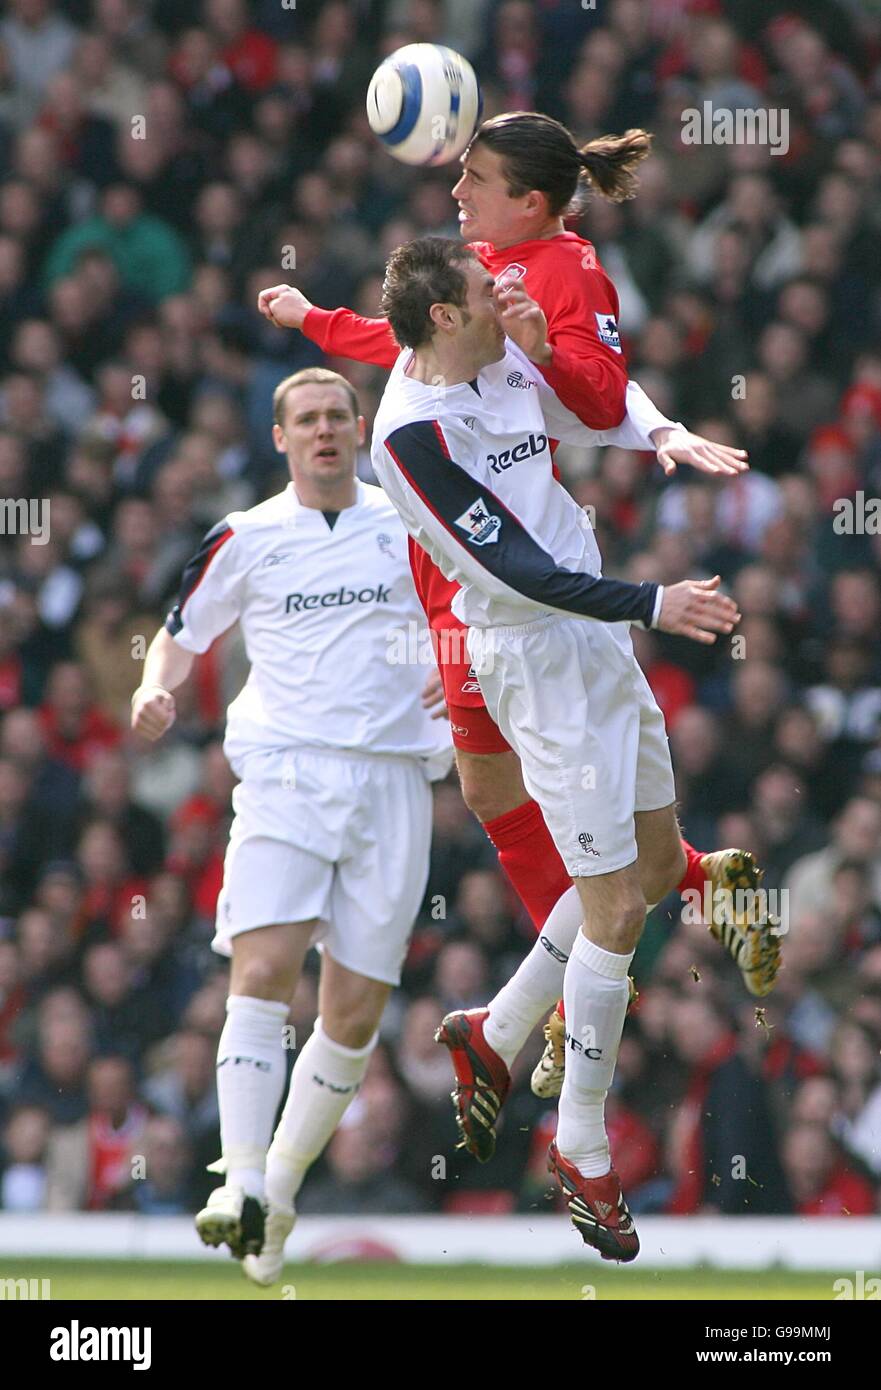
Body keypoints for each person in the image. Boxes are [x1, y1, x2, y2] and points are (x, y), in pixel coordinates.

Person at [258, 112, 780, 1104]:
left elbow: (595, 395)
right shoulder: (482, 264)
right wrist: (316, 321)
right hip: (451, 567)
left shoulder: (564, 271)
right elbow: (411, 345)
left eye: (473, 179)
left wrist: (644, 423)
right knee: (500, 799)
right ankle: (692, 886)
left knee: (512, 800)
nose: (455, 195)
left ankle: (553, 1014)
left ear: (527, 198)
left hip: (498, 582)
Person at [369, 235, 742, 1261]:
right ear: (442, 318)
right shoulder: (408, 435)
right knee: (617, 901)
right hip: (531, 652)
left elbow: (592, 404)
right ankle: (577, 1144)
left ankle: (491, 1032)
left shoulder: (493, 351)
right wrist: (651, 603)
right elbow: (522, 571)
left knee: (659, 863)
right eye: (485, 289)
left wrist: (657, 427)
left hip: (590, 638)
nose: (507, 288)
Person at [131, 367, 453, 1283]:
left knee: (352, 1014)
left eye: (335, 418)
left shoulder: (411, 519)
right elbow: (177, 633)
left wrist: (458, 658)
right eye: (304, 420)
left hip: (394, 778)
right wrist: (153, 687)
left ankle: (279, 1184)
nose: (322, 432)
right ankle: (236, 1181)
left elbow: (471, 604)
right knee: (263, 971)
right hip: (285, 775)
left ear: (359, 428)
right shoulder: (246, 535)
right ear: (279, 439)